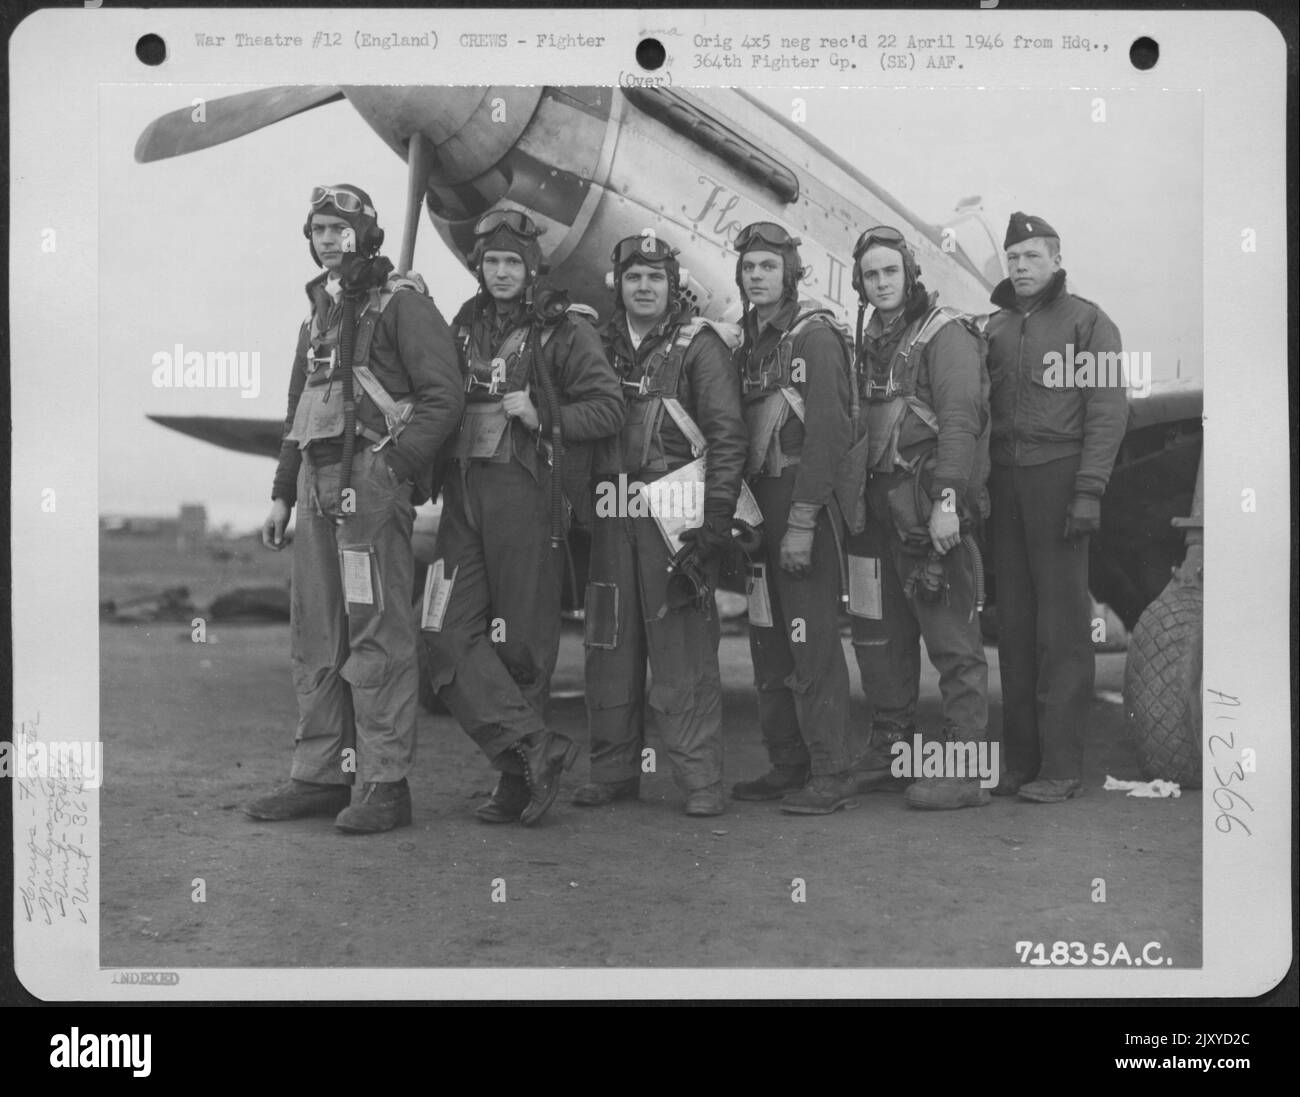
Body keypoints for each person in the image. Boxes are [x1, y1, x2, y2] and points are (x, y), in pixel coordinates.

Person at [246, 184, 464, 833]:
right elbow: (297, 413)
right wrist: (282, 493)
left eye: (339, 228)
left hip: (369, 486)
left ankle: (384, 782)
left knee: (377, 631)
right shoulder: (317, 314)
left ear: (365, 234)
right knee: (316, 629)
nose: (328, 239)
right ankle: (320, 774)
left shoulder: (404, 305)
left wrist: (392, 467)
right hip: (315, 487)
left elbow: (443, 397)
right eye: (317, 229)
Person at [421, 208, 624, 826]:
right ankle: (535, 747)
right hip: (463, 496)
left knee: (522, 648)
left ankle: (516, 780)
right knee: (440, 631)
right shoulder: (462, 325)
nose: (502, 272)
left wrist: (544, 415)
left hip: (528, 496)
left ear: (531, 267)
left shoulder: (563, 330)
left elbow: (609, 407)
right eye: (492, 262)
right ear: (479, 268)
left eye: (513, 262)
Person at [577, 233, 747, 816]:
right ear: (617, 284)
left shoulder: (700, 346)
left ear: (673, 284)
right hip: (610, 506)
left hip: (674, 507)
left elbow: (727, 438)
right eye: (633, 277)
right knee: (607, 640)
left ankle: (699, 781)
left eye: (654, 276)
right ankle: (613, 771)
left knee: (682, 648)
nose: (644, 287)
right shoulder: (595, 343)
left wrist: (715, 522)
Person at [846, 225, 992, 809]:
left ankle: (965, 771)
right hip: (875, 512)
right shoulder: (869, 338)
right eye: (871, 274)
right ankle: (891, 753)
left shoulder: (945, 333)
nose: (881, 283)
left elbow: (961, 423)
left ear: (909, 274)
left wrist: (948, 505)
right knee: (879, 636)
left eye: (890, 272)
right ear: (858, 281)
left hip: (927, 511)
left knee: (952, 640)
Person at [986, 213, 1126, 803]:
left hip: (1059, 479)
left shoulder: (1089, 323)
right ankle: (1021, 762)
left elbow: (1107, 411)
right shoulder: (989, 328)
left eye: (1031, 258)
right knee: (1013, 624)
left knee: (1064, 627)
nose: (1019, 268)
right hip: (1003, 484)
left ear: (1056, 259)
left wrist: (1089, 490)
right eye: (1012, 259)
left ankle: (1062, 767)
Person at [728, 222, 858, 815]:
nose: (757, 276)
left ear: (790, 273)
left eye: (768, 267)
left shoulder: (815, 338)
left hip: (799, 502)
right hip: (757, 510)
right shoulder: (744, 340)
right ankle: (788, 764)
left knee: (813, 646)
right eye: (749, 267)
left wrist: (803, 522)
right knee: (768, 643)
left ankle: (831, 774)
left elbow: (830, 434)